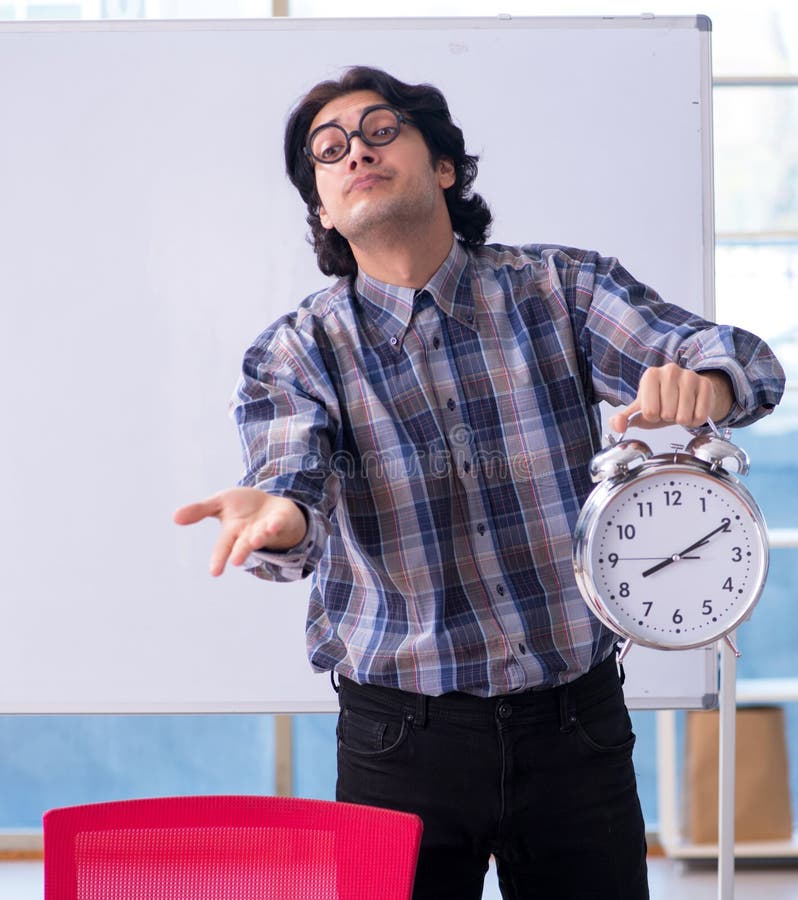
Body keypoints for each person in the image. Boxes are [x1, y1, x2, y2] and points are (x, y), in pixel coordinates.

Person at [174, 66, 785, 899]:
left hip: (576, 725)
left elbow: (744, 358)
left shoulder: (560, 289)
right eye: (329, 149)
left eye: (380, 130)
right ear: (320, 208)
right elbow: (292, 485)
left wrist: (704, 385)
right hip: (401, 740)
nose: (356, 151)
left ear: (445, 167)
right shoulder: (297, 351)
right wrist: (280, 514)